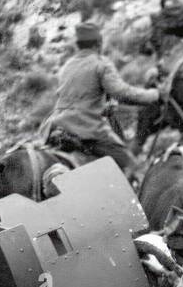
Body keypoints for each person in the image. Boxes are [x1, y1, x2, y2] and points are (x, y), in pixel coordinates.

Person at [41, 21, 161, 183]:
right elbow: (122, 93)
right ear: (99, 43)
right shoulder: (100, 63)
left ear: (78, 45)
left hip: (55, 127)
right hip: (86, 128)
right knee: (132, 166)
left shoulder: (67, 66)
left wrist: (102, 107)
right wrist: (155, 95)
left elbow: (77, 99)